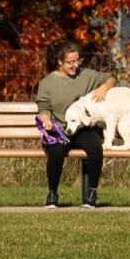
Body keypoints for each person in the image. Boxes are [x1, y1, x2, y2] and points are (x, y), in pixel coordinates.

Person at [34, 40, 114, 207]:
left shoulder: (85, 75)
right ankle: (52, 193)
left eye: (77, 61)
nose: (75, 65)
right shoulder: (47, 83)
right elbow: (43, 107)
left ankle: (91, 192)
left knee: (95, 147)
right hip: (61, 130)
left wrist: (104, 87)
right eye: (70, 62)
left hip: (83, 128)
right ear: (60, 62)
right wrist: (46, 119)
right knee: (56, 152)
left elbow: (111, 78)